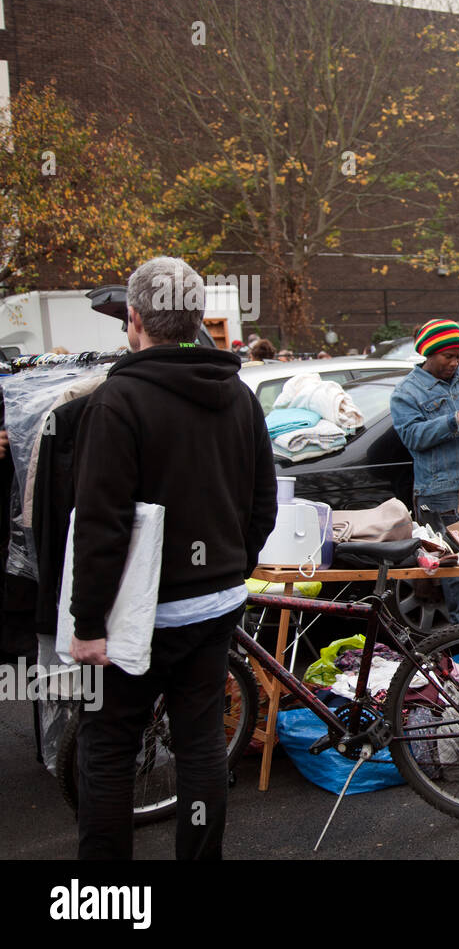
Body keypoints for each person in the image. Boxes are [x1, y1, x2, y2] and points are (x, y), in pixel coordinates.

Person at [69, 256, 278, 859]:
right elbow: (262, 500)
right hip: (213, 606)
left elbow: (101, 527)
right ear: (194, 320)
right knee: (201, 748)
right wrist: (232, 569)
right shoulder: (237, 394)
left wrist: (87, 624)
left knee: (108, 752)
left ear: (133, 317)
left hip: (141, 616)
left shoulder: (118, 401)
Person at [390, 319, 459, 623]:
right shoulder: (407, 392)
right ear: (429, 353)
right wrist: (455, 419)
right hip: (447, 499)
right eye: (448, 357)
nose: (455, 363)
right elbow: (412, 436)